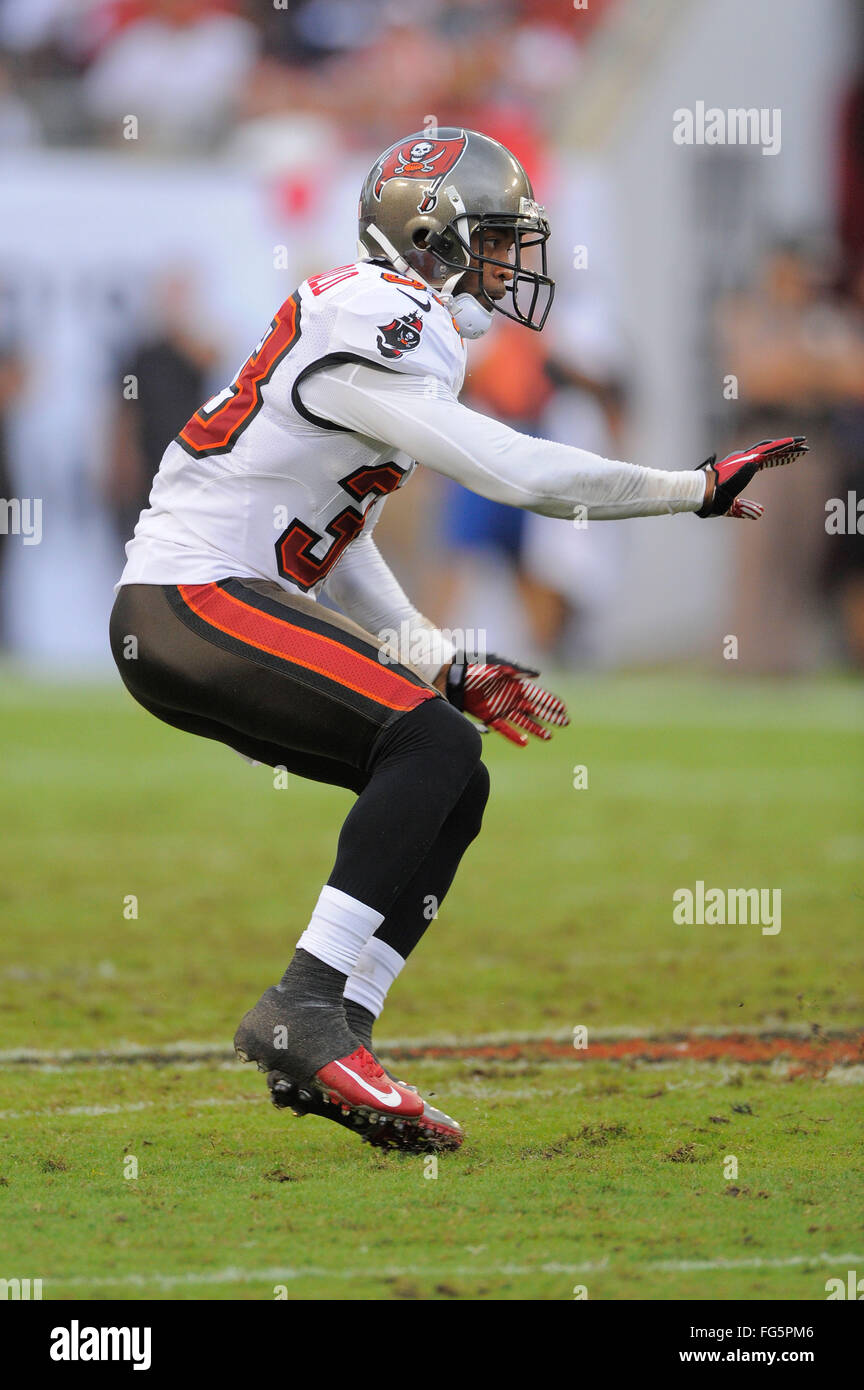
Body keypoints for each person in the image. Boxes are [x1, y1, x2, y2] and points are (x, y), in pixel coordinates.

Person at [109, 128, 806, 1154]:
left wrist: (444, 659)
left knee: (454, 774)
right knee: (429, 745)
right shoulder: (382, 315)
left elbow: (337, 541)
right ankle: (303, 1005)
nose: (512, 268)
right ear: (431, 239)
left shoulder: (382, 331)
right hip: (193, 597)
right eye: (496, 241)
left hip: (213, 602)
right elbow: (514, 471)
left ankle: (340, 1028)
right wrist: (688, 489)